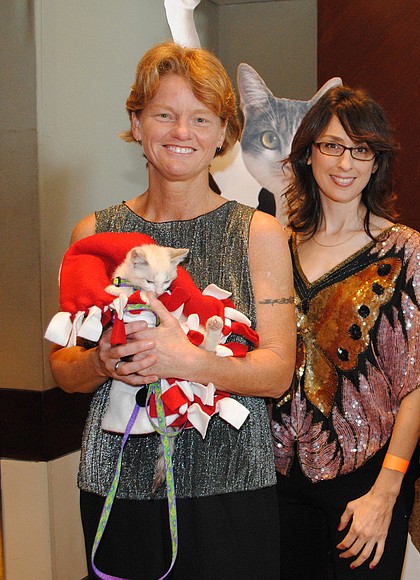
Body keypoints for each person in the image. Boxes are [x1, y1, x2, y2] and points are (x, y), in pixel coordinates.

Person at [49, 41, 296, 578]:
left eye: (200, 118)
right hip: (118, 485)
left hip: (231, 485)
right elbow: (63, 370)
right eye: (164, 114)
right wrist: (100, 362)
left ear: (224, 134)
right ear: (136, 123)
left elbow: (278, 373)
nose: (182, 132)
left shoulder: (258, 234)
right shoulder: (94, 234)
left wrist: (188, 360)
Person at [270, 85, 420, 578]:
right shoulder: (276, 246)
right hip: (278, 483)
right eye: (332, 146)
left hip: (364, 485)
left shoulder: (403, 249)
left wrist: (386, 493)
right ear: (308, 155)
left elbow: (419, 380)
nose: (345, 163)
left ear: (376, 162)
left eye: (361, 149)